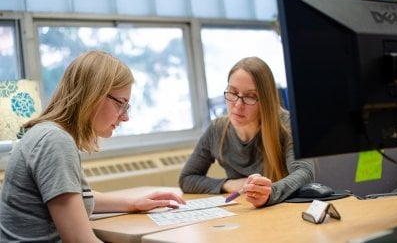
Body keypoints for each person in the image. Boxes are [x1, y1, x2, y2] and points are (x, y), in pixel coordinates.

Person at [0, 50, 185, 242]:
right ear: (93, 95)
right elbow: (80, 240)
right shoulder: (54, 142)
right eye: (121, 104)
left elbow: (74, 198)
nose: (125, 117)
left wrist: (132, 203)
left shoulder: (45, 134)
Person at [179, 56, 314, 208]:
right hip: (246, 210)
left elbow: (304, 173)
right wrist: (229, 184)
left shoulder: (288, 125)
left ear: (266, 100)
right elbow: (187, 178)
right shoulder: (216, 130)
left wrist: (269, 192)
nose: (238, 105)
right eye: (233, 92)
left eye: (250, 96)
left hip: (285, 211)